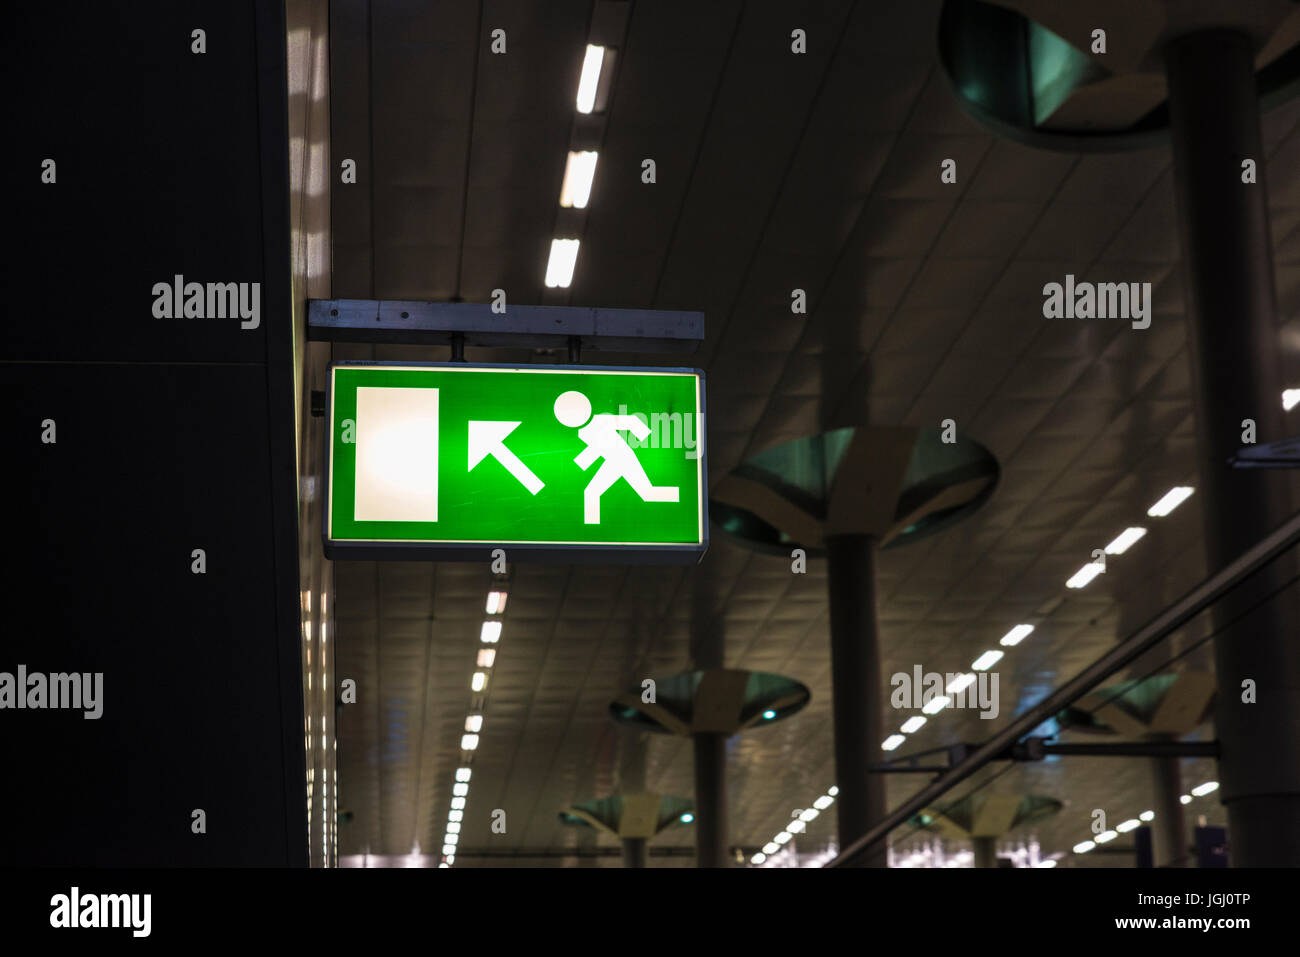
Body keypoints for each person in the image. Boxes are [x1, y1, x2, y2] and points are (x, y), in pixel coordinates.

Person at [553, 390, 678, 524]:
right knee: (592, 493)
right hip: (613, 462)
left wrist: (645, 436)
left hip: (624, 459)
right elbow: (599, 447)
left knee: (646, 493)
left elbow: (631, 421)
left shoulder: (600, 420)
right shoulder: (583, 431)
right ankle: (591, 530)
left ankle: (591, 530)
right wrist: (583, 461)